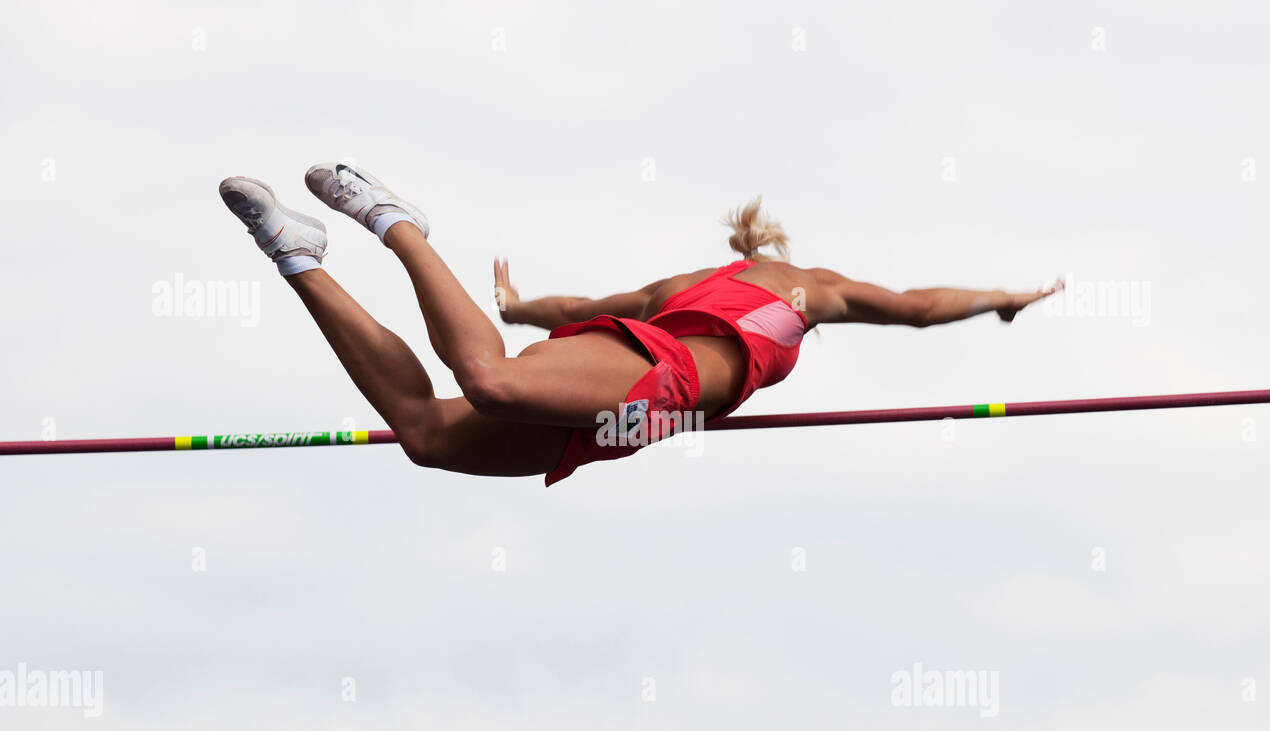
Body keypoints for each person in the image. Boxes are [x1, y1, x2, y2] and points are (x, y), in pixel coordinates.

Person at [219, 163, 1062, 484]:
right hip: (663, 381)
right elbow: (916, 307)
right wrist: (998, 297)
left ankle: (298, 255)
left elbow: (576, 313)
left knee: (427, 435)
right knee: (490, 379)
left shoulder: (692, 286)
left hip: (638, 417)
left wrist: (520, 308)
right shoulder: (808, 288)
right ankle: (395, 220)